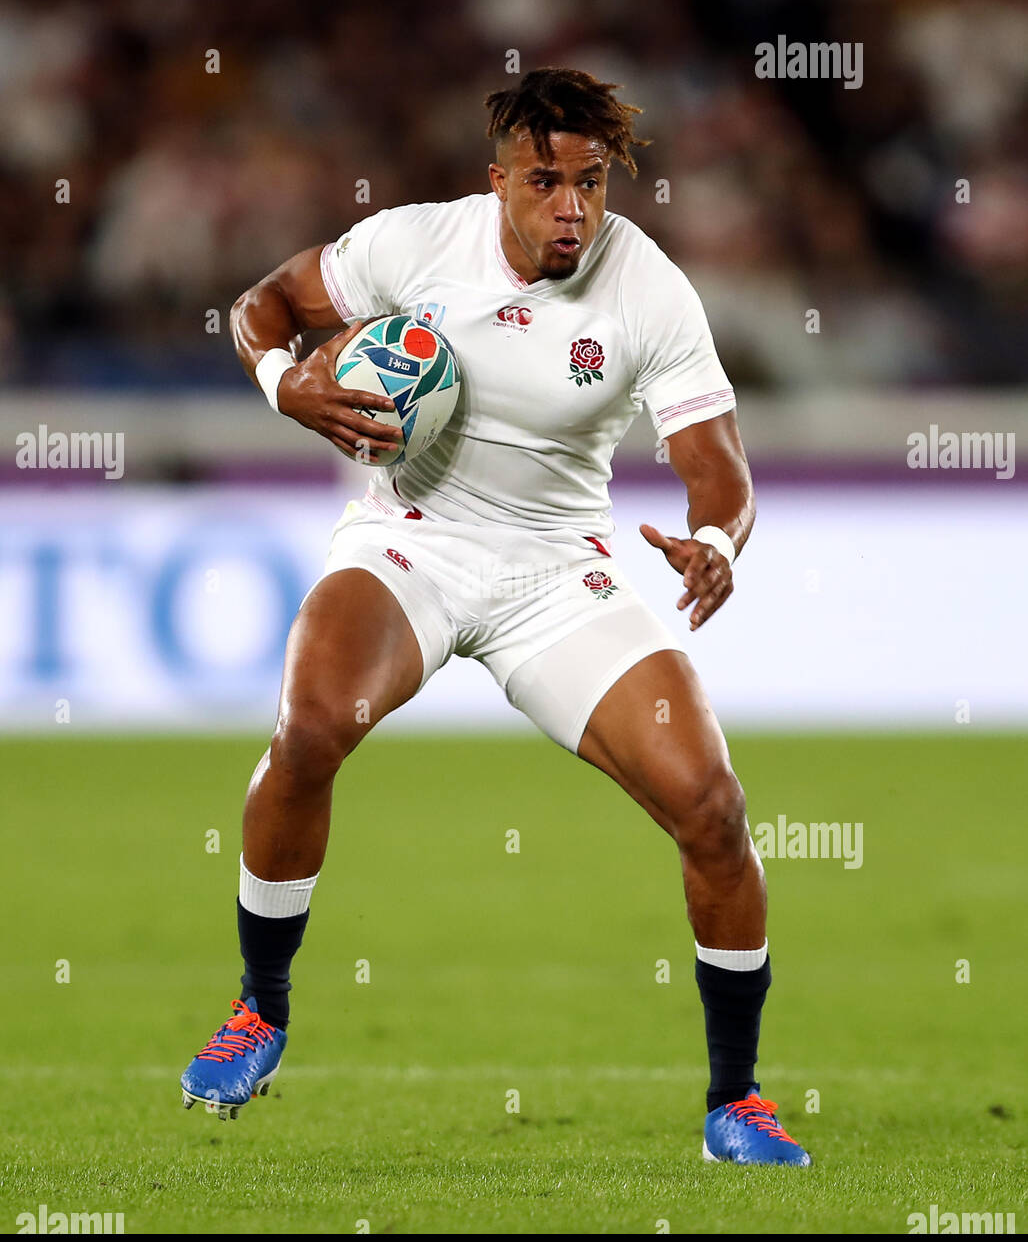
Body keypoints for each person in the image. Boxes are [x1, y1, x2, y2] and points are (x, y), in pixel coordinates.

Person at [180, 67, 810, 1166]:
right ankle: (260, 1007)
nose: (571, 207)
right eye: (545, 181)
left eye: (591, 182)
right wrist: (286, 383)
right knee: (309, 726)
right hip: (411, 538)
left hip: (558, 569)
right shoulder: (415, 245)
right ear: (499, 183)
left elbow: (720, 472)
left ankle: (734, 1101)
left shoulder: (645, 287)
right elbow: (262, 306)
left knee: (710, 806)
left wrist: (712, 542)